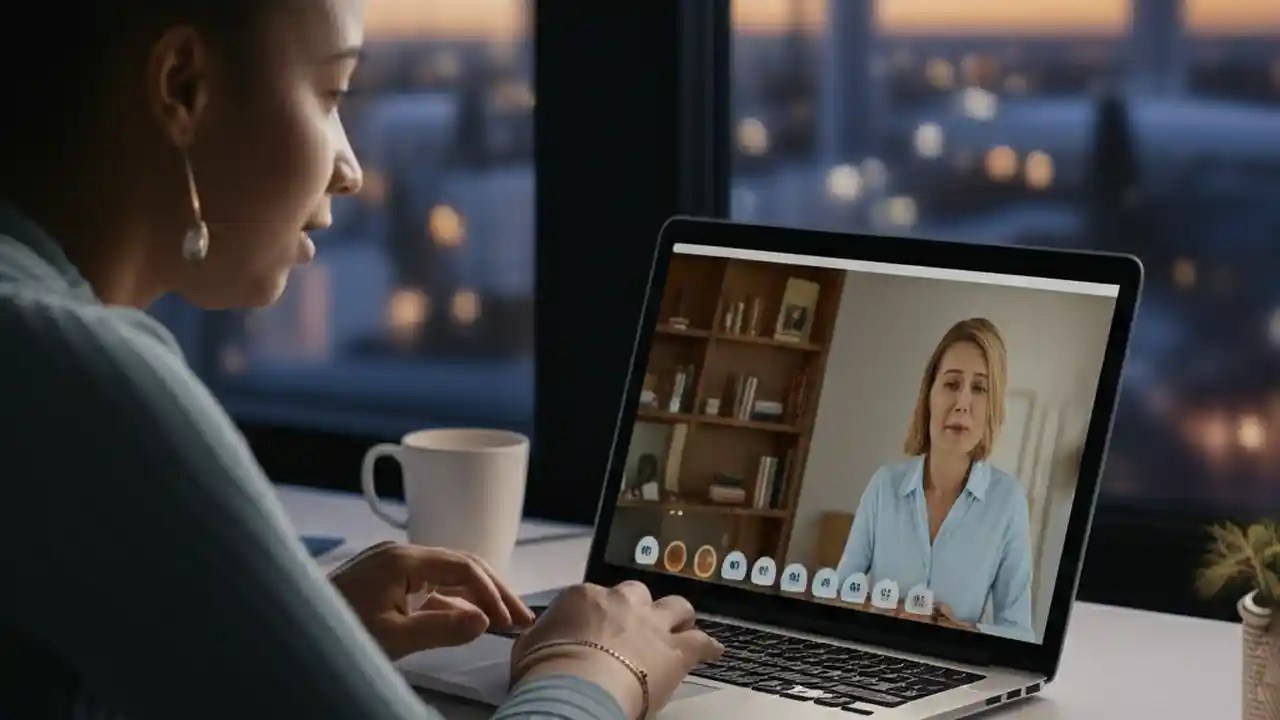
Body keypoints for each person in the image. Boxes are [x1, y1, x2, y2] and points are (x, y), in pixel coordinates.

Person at [0, 1, 721, 718]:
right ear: (182, 87)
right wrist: (592, 668)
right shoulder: (73, 379)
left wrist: (285, 631)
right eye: (331, 93)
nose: (348, 169)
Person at [835, 318, 1035, 642]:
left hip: (953, 671)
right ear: (930, 393)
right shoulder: (884, 485)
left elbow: (1019, 631)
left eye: (980, 388)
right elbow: (840, 595)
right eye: (952, 384)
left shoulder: (1008, 502)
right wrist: (885, 614)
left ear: (992, 406)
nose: (962, 404)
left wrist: (964, 632)